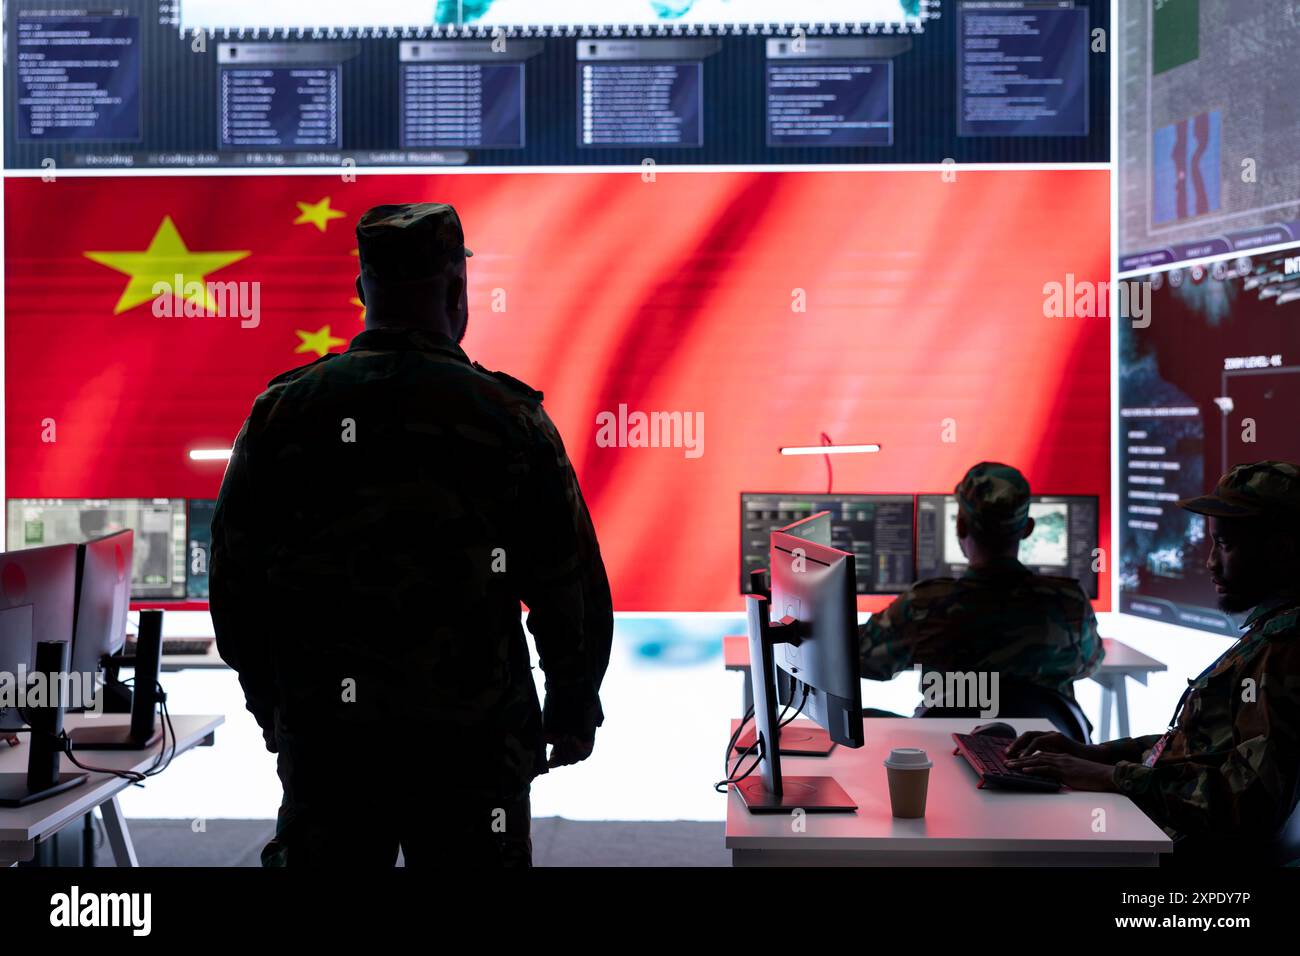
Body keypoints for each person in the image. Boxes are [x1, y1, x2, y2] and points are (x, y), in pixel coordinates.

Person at [210, 202, 613, 867]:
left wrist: (270, 704)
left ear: (363, 291)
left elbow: (235, 579)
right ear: (457, 290)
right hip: (473, 740)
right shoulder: (508, 417)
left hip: (331, 739)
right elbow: (564, 578)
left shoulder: (286, 411)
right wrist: (573, 704)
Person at [1007, 461, 1300, 865]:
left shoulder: (1283, 651)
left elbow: (1247, 805)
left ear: (1282, 549)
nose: (1211, 562)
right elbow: (1197, 751)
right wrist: (1094, 755)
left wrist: (1111, 778)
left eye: (1226, 544)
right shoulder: (1272, 637)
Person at [859, 462, 1102, 705]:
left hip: (952, 742)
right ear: (1027, 529)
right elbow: (1090, 663)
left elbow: (862, 657)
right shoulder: (1070, 603)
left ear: (960, 526)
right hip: (1046, 742)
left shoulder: (923, 606)